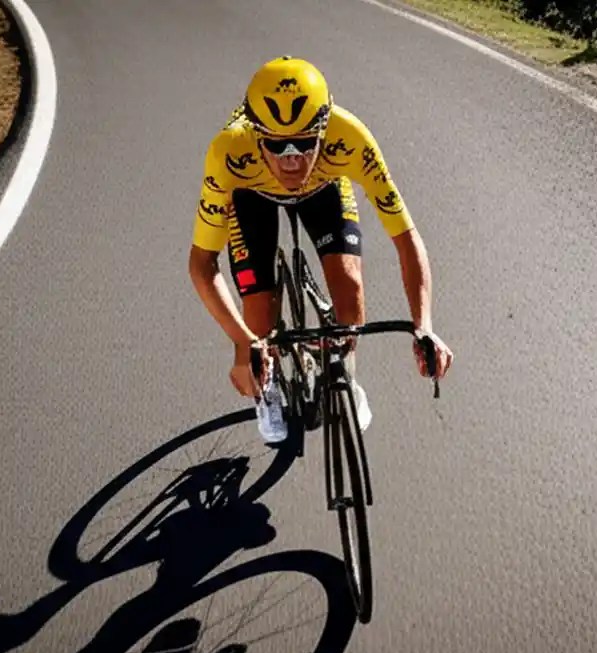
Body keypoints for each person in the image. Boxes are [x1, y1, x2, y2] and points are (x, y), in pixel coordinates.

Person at [187, 56, 453, 443]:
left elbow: (406, 237)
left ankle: (344, 373)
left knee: (349, 285)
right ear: (255, 133)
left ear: (325, 129)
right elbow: (201, 263)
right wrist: (243, 344)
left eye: (305, 142)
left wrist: (424, 324)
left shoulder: (350, 138)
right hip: (250, 195)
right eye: (276, 145)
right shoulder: (228, 151)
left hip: (325, 186)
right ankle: (269, 388)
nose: (291, 159)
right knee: (257, 313)